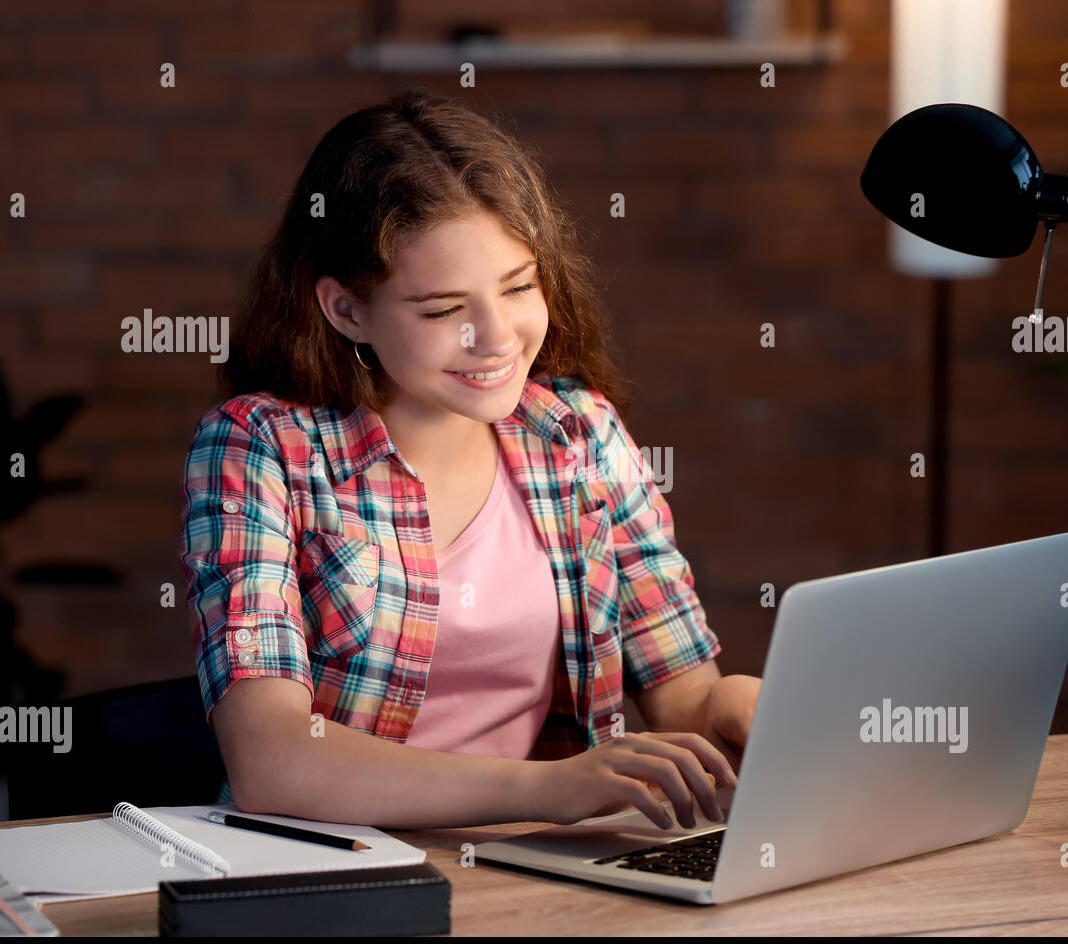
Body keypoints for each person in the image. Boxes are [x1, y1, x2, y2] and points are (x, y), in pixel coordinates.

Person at [178, 89, 760, 832]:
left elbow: (686, 703)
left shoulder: (578, 433)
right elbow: (273, 758)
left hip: (543, 874)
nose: (498, 337)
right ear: (346, 310)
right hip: (339, 876)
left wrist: (737, 707)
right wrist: (549, 789)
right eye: (444, 309)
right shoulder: (259, 447)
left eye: (518, 287)